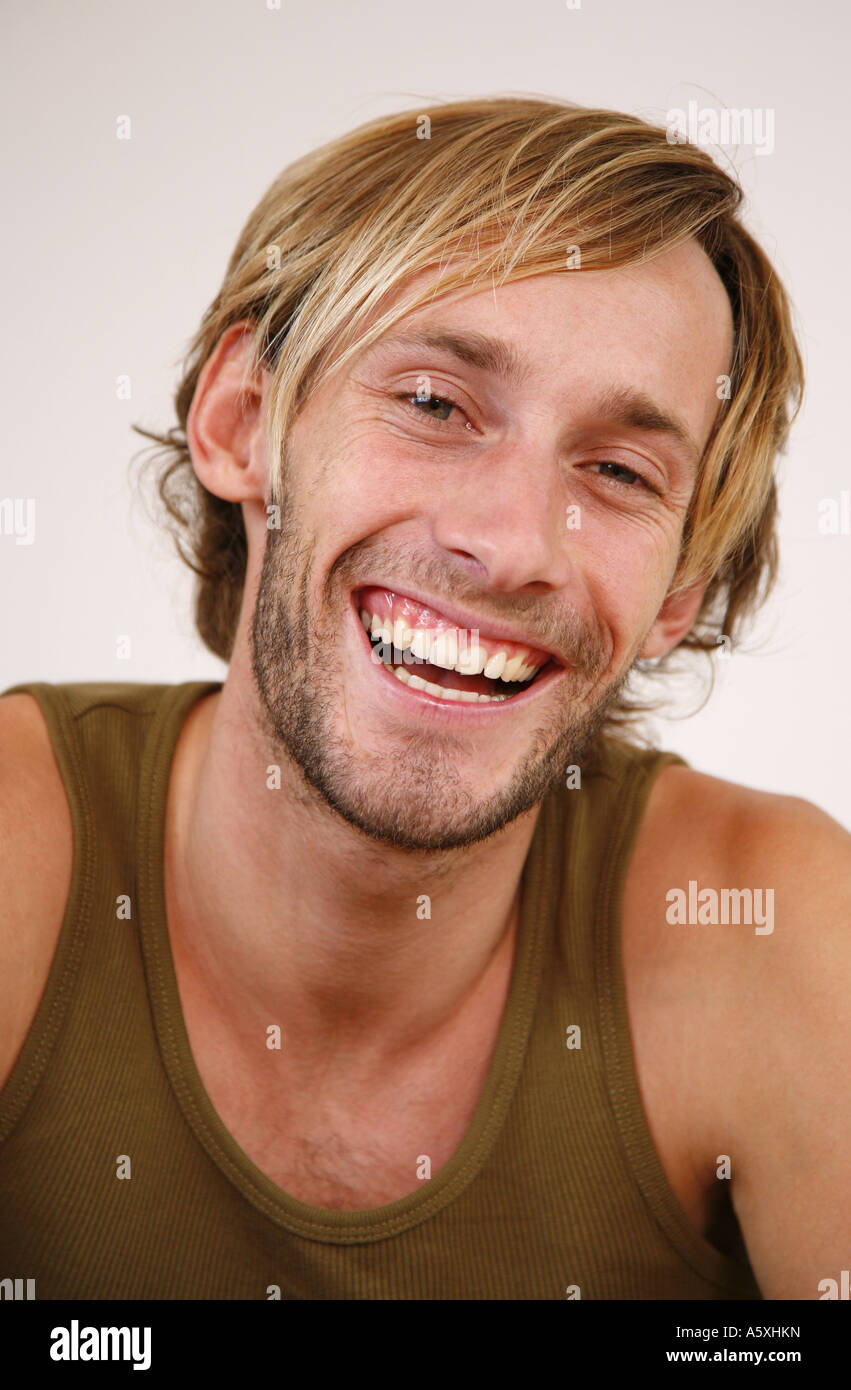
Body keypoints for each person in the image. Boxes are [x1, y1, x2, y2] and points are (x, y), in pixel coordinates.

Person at [1, 96, 848, 1302]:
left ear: (681, 587)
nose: (509, 546)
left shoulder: (773, 929)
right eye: (434, 404)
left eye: (617, 471)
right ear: (244, 421)